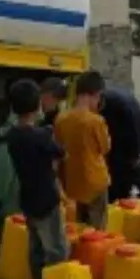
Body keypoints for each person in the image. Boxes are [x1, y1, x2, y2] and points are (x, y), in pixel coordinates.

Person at [4, 78, 69, 279]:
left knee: (36, 247)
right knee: (56, 248)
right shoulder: (41, 136)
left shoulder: (12, 136)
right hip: (47, 199)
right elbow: (61, 152)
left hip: (28, 198)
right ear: (37, 106)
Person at [53, 70, 111, 228]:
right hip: (96, 184)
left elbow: (57, 151)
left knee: (78, 230)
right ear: (95, 94)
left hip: (73, 184)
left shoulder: (61, 119)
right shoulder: (95, 121)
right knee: (97, 233)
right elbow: (105, 148)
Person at [100, 86, 140, 203]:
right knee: (118, 182)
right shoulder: (107, 102)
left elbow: (134, 128)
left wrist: (136, 154)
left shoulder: (120, 104)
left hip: (136, 147)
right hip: (119, 146)